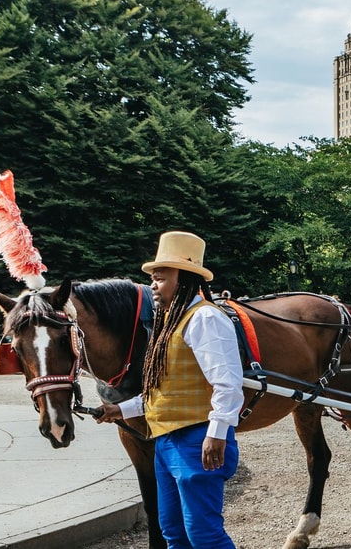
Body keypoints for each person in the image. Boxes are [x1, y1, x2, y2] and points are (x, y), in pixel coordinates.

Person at [95, 231, 244, 549]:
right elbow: (164, 390)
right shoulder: (169, 323)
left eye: (161, 278)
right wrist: (119, 409)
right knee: (173, 534)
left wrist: (217, 433)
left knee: (204, 535)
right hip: (166, 441)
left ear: (185, 279)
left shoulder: (204, 318)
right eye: (153, 278)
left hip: (196, 441)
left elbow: (228, 383)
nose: (152, 285)